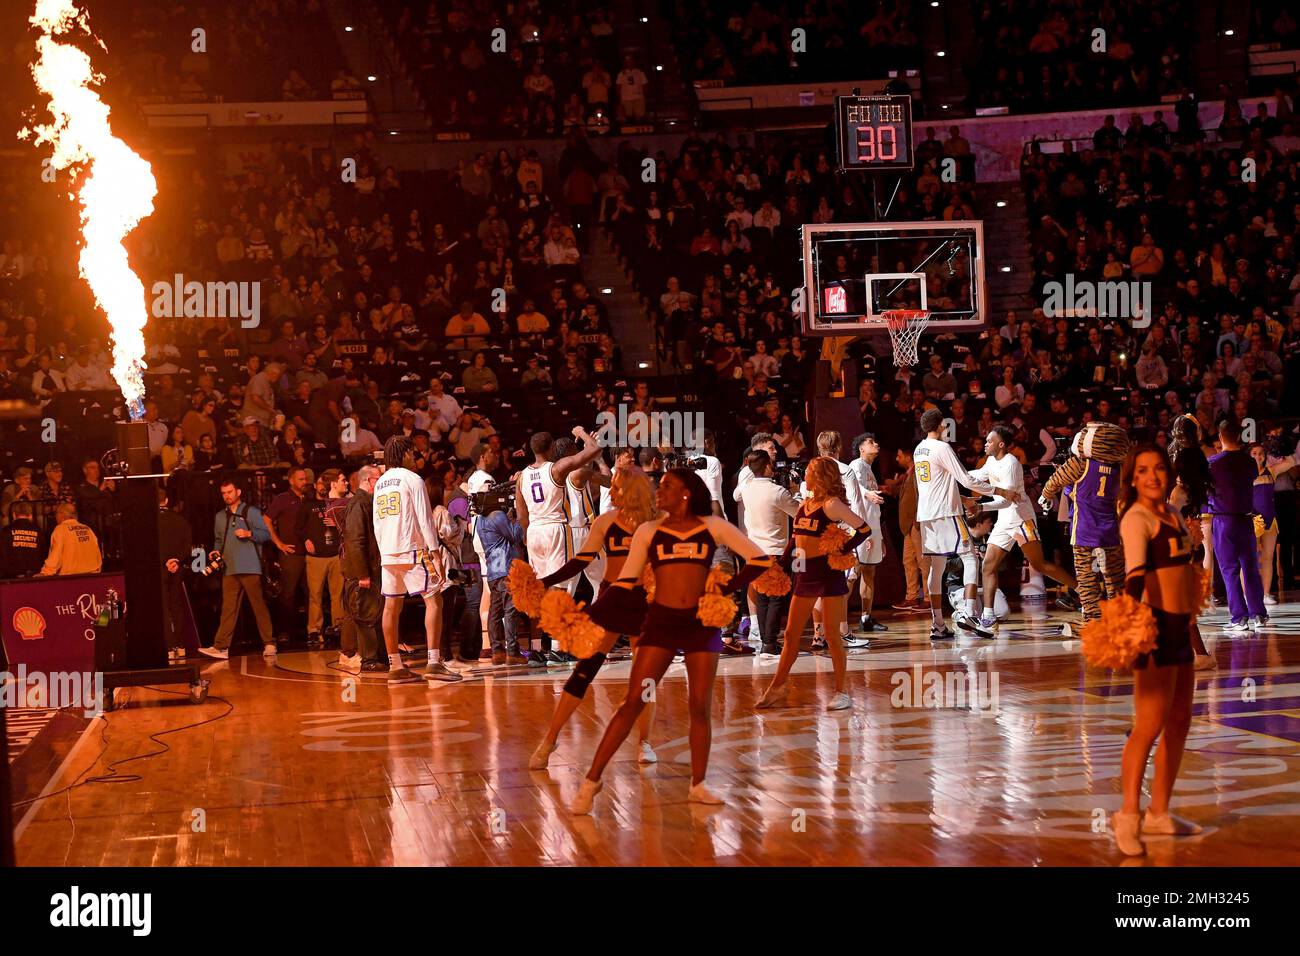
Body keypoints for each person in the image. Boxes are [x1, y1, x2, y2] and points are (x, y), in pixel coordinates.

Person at [571, 469, 773, 814]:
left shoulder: (712, 526)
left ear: (685, 493)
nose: (658, 490)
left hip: (700, 624)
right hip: (661, 623)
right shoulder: (649, 531)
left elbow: (760, 559)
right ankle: (592, 781)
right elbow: (626, 582)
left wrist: (724, 588)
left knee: (699, 705)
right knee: (633, 700)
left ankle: (698, 784)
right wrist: (591, 614)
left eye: (666, 486)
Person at [528, 468, 662, 769]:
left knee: (646, 678)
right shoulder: (605, 521)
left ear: (632, 490)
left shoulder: (656, 523)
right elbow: (581, 559)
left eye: (615, 487)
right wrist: (546, 581)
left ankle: (645, 741)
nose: (610, 492)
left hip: (644, 604)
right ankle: (550, 740)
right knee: (584, 670)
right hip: (613, 600)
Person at [1113, 444, 1201, 856]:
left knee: (1180, 720)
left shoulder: (1173, 513)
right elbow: (1134, 578)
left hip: (1181, 626)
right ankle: (1127, 815)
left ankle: (1160, 813)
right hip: (1153, 629)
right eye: (1143, 471)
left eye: (1159, 469)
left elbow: (1183, 571)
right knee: (1148, 725)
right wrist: (1128, 630)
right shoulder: (1137, 517)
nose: (1152, 477)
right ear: (1132, 478)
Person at [756, 456, 871, 711]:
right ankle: (778, 686)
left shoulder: (832, 504)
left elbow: (864, 529)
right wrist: (780, 567)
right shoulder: (805, 504)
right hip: (804, 573)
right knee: (790, 634)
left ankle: (842, 691)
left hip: (827, 573)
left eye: (808, 470)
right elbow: (794, 540)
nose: (804, 473)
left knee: (831, 635)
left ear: (820, 476)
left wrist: (841, 548)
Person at [966, 426, 1077, 631]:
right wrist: (952, 472)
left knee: (1040, 564)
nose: (985, 443)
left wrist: (981, 506)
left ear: (1001, 444)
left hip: (1021, 518)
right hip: (1003, 522)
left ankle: (1080, 591)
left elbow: (1007, 501)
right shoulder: (991, 461)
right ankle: (988, 616)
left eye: (989, 441)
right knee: (988, 565)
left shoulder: (1012, 464)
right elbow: (974, 476)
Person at [372, 435, 464, 684]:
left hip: (389, 552)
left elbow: (377, 524)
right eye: (412, 454)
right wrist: (435, 553)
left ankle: (395, 666)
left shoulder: (380, 483)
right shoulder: (412, 479)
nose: (415, 458)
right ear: (403, 455)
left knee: (391, 607)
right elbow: (424, 518)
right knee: (434, 600)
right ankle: (434, 662)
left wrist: (384, 552)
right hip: (413, 549)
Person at [914, 408, 1009, 640]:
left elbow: (939, 481)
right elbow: (964, 478)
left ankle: (937, 624)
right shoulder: (942, 447)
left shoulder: (918, 449)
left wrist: (963, 499)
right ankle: (967, 612)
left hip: (926, 514)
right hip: (946, 513)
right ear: (941, 425)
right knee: (970, 557)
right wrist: (997, 490)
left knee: (936, 568)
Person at [514, 427, 603, 665]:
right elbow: (594, 450)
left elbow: (521, 513)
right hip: (555, 528)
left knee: (544, 589)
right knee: (560, 590)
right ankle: (557, 647)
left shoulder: (521, 476)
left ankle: (547, 645)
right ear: (551, 448)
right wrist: (583, 434)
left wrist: (525, 535)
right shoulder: (556, 468)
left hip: (534, 531)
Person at [199, 480, 276, 660]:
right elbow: (219, 540)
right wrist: (216, 551)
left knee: (258, 606)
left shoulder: (251, 512)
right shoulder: (220, 516)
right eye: (224, 493)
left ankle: (269, 643)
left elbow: (267, 534)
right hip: (229, 568)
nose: (227, 495)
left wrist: (249, 534)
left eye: (230, 492)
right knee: (228, 609)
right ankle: (221, 647)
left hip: (250, 567)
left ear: (238, 492)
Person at [738, 448, 800, 658]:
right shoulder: (777, 492)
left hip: (754, 550)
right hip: (774, 551)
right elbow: (798, 513)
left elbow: (735, 493)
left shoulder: (746, 489)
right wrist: (796, 491)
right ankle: (770, 643)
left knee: (763, 598)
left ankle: (766, 642)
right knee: (775, 598)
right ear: (767, 467)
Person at [1208, 418, 1268, 634]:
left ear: (1220, 436)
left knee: (1229, 569)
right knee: (1250, 567)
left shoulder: (1213, 463)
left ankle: (1239, 618)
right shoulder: (1249, 462)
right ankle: (1259, 615)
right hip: (1245, 518)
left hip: (1224, 520)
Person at [340, 464, 389, 673]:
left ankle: (378, 657)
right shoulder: (359, 504)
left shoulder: (366, 502)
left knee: (374, 612)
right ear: (368, 480)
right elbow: (355, 540)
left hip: (371, 568)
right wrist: (362, 573)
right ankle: (369, 659)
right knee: (366, 614)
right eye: (379, 478)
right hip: (363, 571)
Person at [475, 491, 527, 666]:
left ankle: (497, 651)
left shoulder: (480, 521)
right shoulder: (497, 515)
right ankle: (512, 652)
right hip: (506, 569)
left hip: (492, 571)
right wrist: (517, 519)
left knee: (495, 613)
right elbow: (516, 535)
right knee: (511, 611)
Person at [264, 467, 313, 644]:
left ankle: (312, 631)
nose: (304, 482)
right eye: (300, 479)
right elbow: (267, 519)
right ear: (291, 481)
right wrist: (278, 543)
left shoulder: (309, 498)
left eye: (305, 479)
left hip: (309, 554)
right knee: (287, 594)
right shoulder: (282, 499)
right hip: (290, 554)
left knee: (311, 594)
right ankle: (284, 631)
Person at [848, 433, 888, 634]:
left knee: (869, 572)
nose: (876, 444)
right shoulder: (857, 464)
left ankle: (866, 618)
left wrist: (878, 535)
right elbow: (854, 486)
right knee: (852, 574)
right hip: (860, 529)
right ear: (861, 448)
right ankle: (839, 620)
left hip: (872, 528)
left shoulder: (869, 469)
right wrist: (868, 493)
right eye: (871, 442)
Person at [304, 469, 347, 648]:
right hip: (316, 557)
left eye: (325, 483)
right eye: (320, 483)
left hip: (336, 554)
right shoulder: (308, 505)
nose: (322, 487)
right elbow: (298, 527)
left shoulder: (339, 503)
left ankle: (338, 627)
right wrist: (305, 539)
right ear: (316, 485)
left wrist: (336, 521)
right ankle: (314, 630)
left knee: (337, 595)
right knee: (315, 595)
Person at [1250, 442, 1296, 607]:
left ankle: (1266, 594)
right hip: (1251, 521)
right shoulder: (1244, 474)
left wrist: (1282, 446)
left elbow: (1291, 462)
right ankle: (1250, 595)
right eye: (1254, 453)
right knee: (1250, 560)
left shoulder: (1271, 471)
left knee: (1268, 558)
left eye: (1261, 453)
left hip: (1270, 520)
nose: (1258, 456)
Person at [158, 490, 194, 661]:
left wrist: (165, 562)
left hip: (160, 568)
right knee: (177, 606)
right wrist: (176, 560)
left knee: (164, 608)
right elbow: (188, 546)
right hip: (177, 568)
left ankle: (169, 647)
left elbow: (149, 547)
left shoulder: (150, 523)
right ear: (166, 500)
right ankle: (180, 645)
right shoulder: (180, 520)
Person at [38, 503, 101, 575]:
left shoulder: (60, 529)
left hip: (70, 579)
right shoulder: (88, 529)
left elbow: (55, 557)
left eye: (56, 514)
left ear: (61, 514)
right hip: (92, 576)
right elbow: (97, 554)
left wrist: (45, 573)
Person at [0, 500, 42, 577]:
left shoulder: (6, 530)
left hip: (12, 576)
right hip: (35, 575)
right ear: (30, 515)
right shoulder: (38, 530)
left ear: (14, 515)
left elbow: (2, 555)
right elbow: (43, 553)